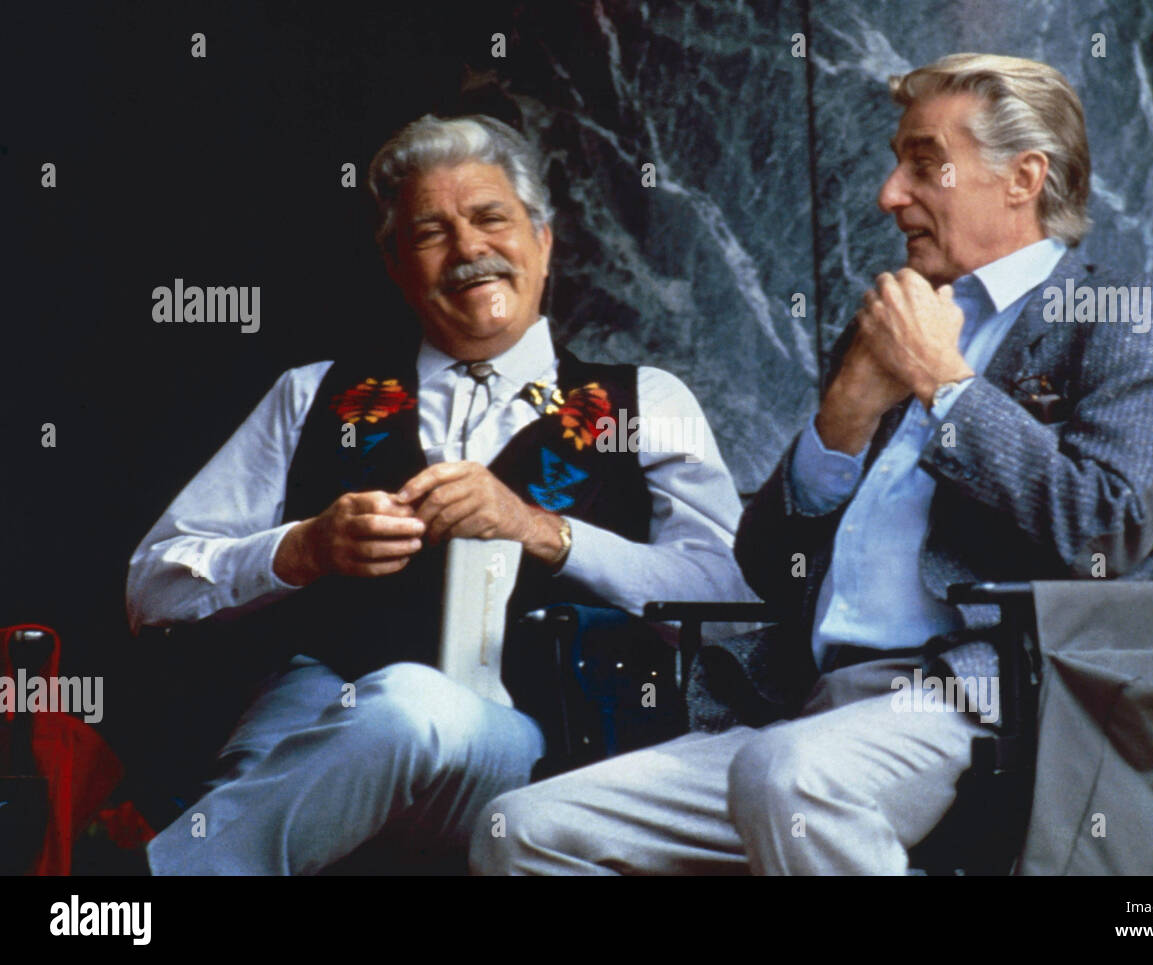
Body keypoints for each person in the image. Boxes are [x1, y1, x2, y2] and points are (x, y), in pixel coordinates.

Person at [471, 53, 1153, 875]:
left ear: (1023, 177)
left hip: (989, 696)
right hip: (813, 700)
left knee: (788, 777)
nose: (891, 193)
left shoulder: (1120, 314)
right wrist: (845, 415)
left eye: (925, 163)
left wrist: (947, 383)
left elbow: (1105, 528)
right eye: (897, 162)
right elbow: (769, 566)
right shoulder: (889, 323)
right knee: (525, 829)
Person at [126, 114, 752, 875]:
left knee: (409, 704)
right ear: (394, 264)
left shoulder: (645, 401)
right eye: (430, 232)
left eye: (491, 218)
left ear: (543, 240)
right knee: (350, 728)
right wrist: (300, 549)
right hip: (318, 724)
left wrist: (544, 530)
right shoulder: (313, 393)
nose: (468, 251)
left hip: (538, 749)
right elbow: (152, 585)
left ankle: (127, 895)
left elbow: (728, 600)